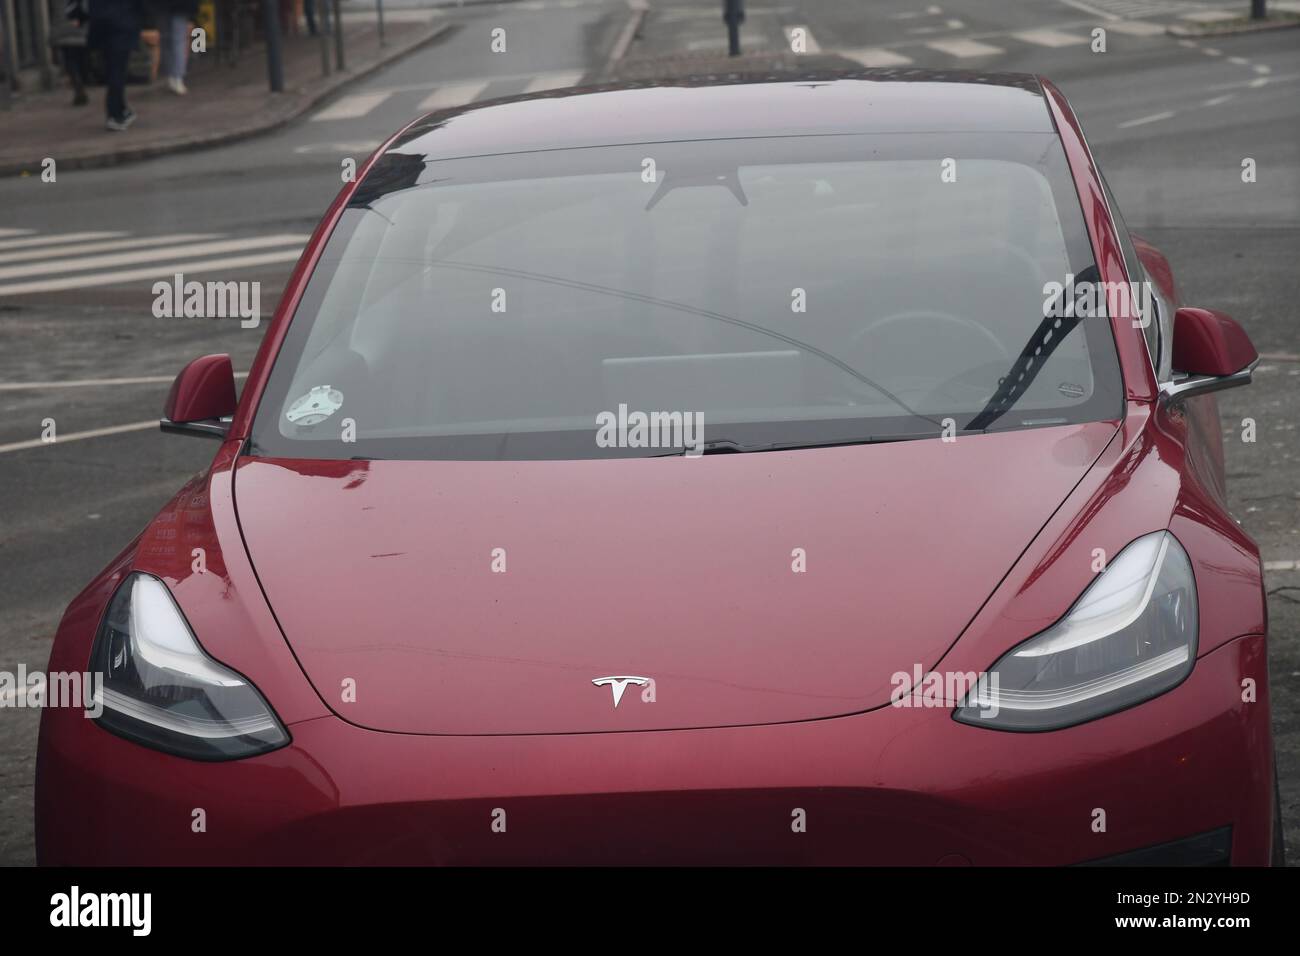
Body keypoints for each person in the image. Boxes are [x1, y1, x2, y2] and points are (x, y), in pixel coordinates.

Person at [87, 0, 144, 130]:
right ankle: (115, 114)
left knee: (113, 69)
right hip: (121, 24)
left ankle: (121, 108)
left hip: (102, 26)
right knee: (118, 71)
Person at [153, 0, 197, 95]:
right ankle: (177, 76)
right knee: (177, 40)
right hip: (179, 6)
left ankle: (173, 76)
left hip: (163, 5)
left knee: (167, 39)